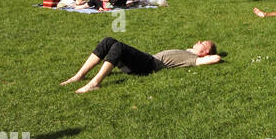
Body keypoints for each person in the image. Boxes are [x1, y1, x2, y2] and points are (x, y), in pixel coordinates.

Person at [61, 37, 221, 92]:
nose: (199, 41)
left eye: (203, 43)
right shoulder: (189, 52)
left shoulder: (194, 59)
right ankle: (79, 76)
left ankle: (95, 83)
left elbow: (216, 59)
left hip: (149, 65)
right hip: (147, 59)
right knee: (108, 41)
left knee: (119, 47)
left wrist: (213, 55)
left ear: (205, 52)